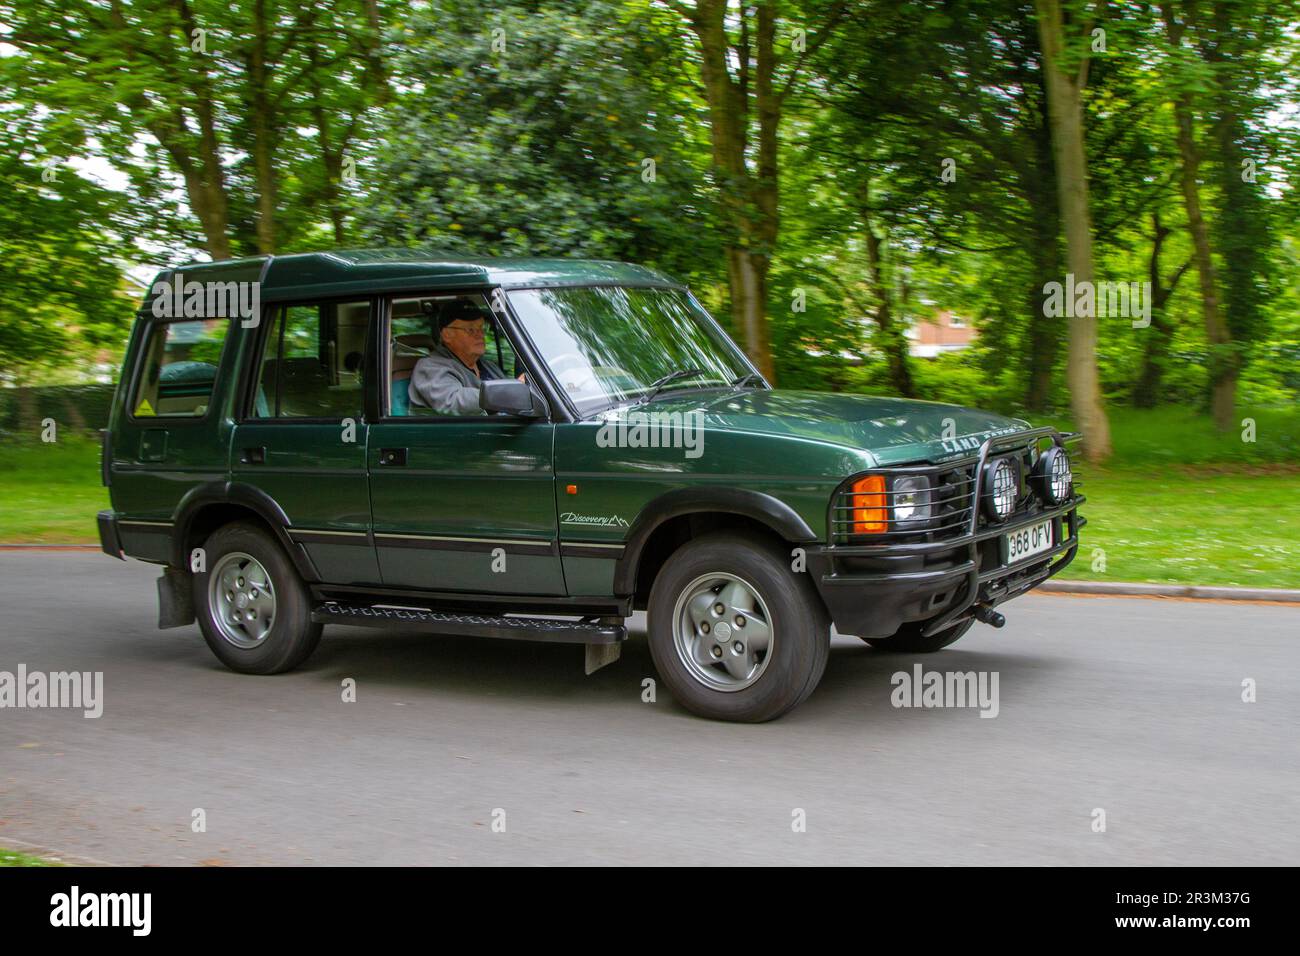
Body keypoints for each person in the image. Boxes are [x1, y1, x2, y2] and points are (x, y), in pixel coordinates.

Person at [408, 299, 520, 415]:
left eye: (481, 327)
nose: (480, 334)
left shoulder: (488, 365)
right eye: (471, 329)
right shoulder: (429, 366)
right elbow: (453, 401)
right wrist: (506, 393)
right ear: (447, 335)